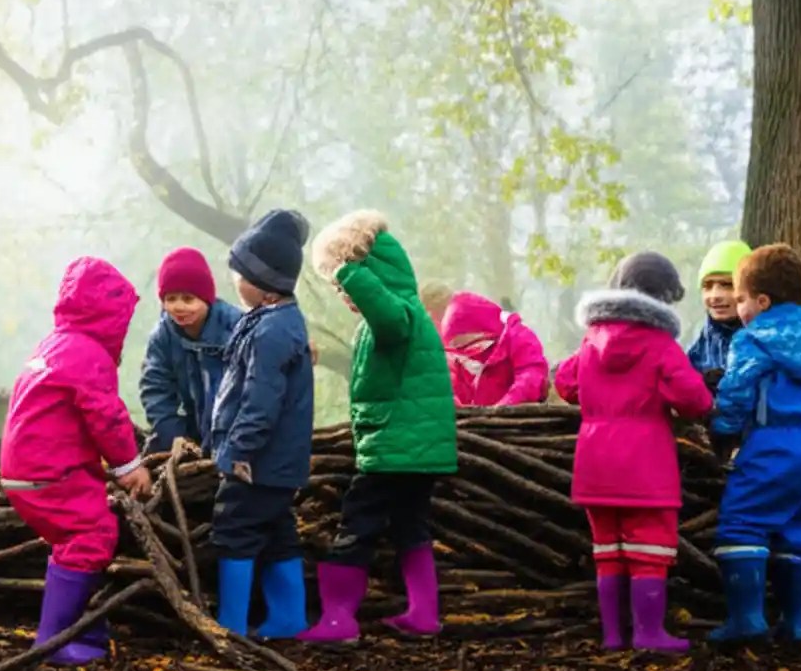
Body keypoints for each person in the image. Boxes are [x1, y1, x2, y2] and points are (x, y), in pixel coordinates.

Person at [298, 210, 457, 643]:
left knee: (359, 522)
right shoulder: (400, 315)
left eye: (341, 285)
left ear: (367, 272)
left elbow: (384, 313)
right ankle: (423, 614)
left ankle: (339, 618)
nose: (343, 294)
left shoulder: (397, 315)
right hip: (411, 446)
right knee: (410, 525)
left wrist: (345, 268)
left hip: (394, 446)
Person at [554, 251, 712, 653]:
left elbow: (566, 384)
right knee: (650, 552)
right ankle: (648, 633)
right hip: (645, 466)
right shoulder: (659, 344)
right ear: (662, 297)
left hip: (594, 463)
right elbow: (693, 398)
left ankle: (611, 636)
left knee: (608, 552)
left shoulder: (591, 339)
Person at [0, 257, 153, 665]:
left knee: (73, 539)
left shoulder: (54, 343)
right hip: (51, 470)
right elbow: (106, 414)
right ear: (109, 316)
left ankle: (81, 625)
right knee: (92, 534)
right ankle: (51, 640)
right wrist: (129, 466)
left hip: (23, 470)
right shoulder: (89, 354)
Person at [707, 244, 801, 645]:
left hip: (774, 441)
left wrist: (724, 429)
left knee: (742, 523)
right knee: (799, 531)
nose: (738, 308)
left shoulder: (754, 339)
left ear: (762, 301)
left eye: (740, 299)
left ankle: (747, 620)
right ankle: (795, 624)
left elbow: (736, 391)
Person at [210, 209, 315, 639]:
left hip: (259, 462)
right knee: (275, 531)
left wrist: (237, 451)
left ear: (267, 284)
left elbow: (260, 402)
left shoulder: (273, 332)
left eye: (241, 272)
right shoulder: (270, 321)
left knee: (233, 527)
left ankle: (231, 624)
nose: (234, 279)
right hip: (275, 462)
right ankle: (288, 617)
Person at [140, 247, 244, 454]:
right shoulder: (163, 337)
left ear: (206, 298)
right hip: (193, 429)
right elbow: (155, 390)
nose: (179, 307)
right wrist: (175, 436)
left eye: (188, 299)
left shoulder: (236, 327)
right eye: (170, 299)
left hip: (237, 430)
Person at [440, 291, 549, 406]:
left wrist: (507, 404)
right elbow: (455, 387)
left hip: (521, 417)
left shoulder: (519, 338)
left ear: (481, 331)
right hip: (482, 420)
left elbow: (531, 376)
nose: (463, 351)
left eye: (464, 344)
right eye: (457, 347)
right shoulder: (462, 360)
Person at [687, 240, 753, 379]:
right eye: (707, 286)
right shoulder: (701, 347)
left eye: (727, 285)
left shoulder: (770, 342)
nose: (715, 296)